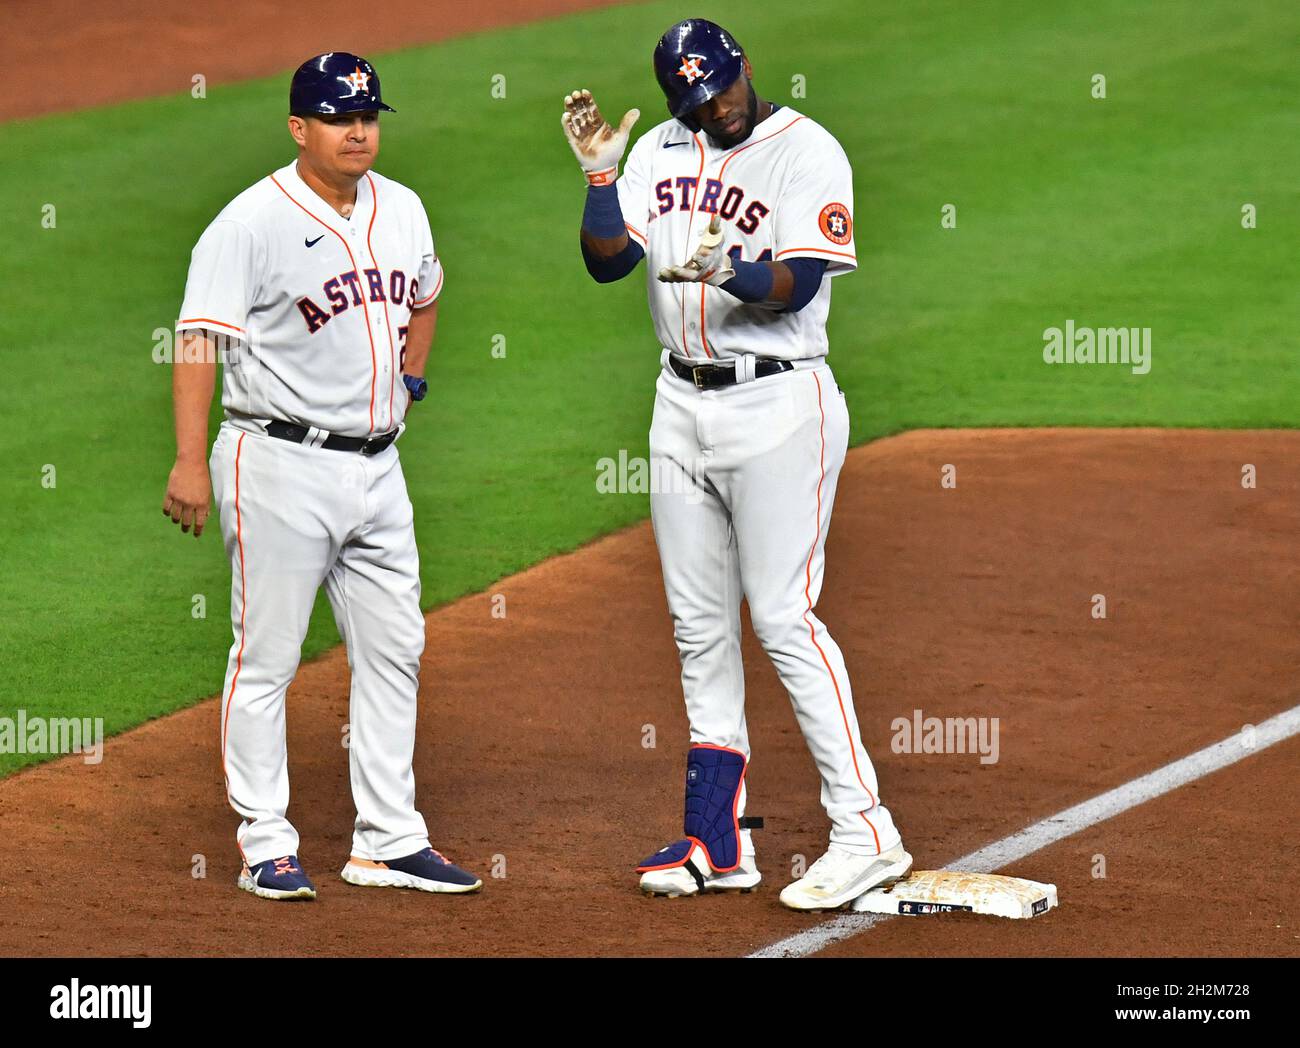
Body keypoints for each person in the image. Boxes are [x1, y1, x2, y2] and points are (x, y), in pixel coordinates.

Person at [562, 19, 912, 910]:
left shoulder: (807, 152)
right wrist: (603, 179)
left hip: (778, 403)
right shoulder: (659, 147)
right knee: (697, 628)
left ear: (744, 69)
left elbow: (802, 281)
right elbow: (610, 266)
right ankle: (716, 840)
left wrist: (735, 271)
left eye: (718, 88)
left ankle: (865, 828)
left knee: (785, 619)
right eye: (693, 99)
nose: (710, 108)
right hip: (678, 405)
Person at [162, 51, 480, 901]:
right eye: (341, 119)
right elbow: (198, 341)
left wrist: (411, 378)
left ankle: (387, 839)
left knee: (395, 650)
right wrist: (190, 462)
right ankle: (266, 841)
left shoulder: (402, 207)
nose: (359, 131)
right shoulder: (248, 224)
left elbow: (427, 292)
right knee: (265, 659)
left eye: (368, 116)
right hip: (275, 463)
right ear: (300, 128)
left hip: (380, 469)